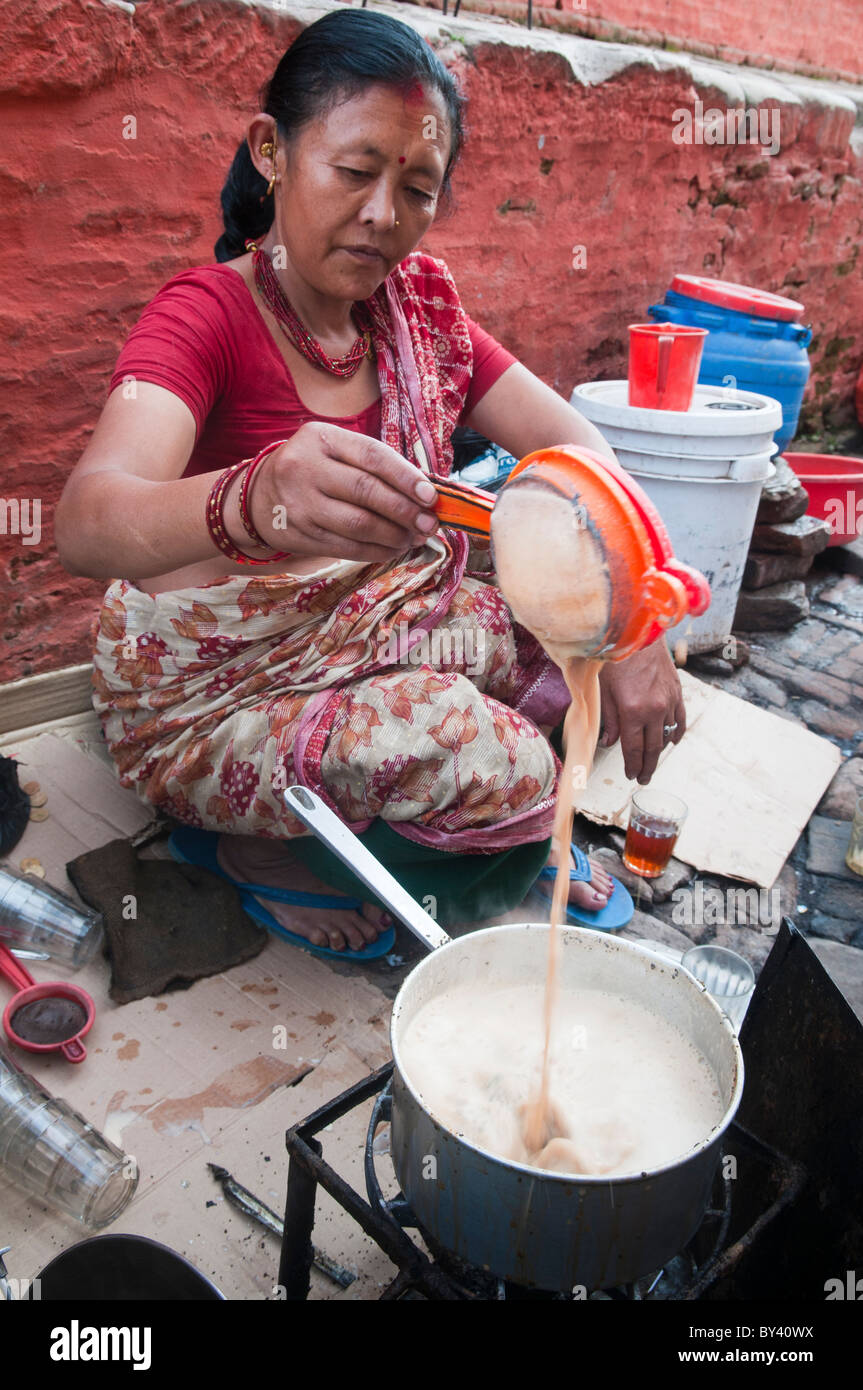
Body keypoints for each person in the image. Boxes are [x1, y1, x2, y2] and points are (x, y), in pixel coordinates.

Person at [55, 9, 685, 960]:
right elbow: (87, 522)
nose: (383, 215)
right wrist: (254, 497)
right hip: (212, 700)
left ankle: (469, 830)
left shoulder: (416, 312)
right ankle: (254, 850)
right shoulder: (207, 316)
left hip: (372, 633)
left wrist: (636, 619)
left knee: (577, 661)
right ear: (272, 151)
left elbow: (578, 449)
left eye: (417, 187)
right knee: (507, 766)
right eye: (354, 172)